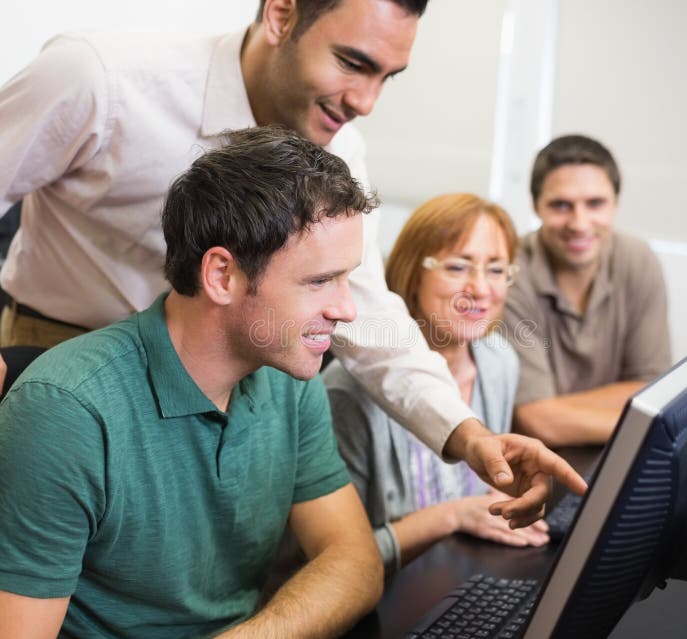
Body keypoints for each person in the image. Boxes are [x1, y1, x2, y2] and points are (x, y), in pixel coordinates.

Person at [0, 0, 579, 525]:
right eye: (353, 62)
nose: (366, 102)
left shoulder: (338, 145)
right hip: (55, 362)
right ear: (280, 15)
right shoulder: (101, 78)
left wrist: (469, 435)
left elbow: (371, 314)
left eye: (387, 77)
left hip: (221, 390)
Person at [0, 126, 386, 638]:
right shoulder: (66, 412)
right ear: (222, 276)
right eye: (319, 281)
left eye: (345, 278)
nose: (345, 309)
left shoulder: (290, 378)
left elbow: (355, 561)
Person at [325, 194, 551, 575]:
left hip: (463, 573)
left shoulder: (498, 361)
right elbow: (330, 565)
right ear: (413, 274)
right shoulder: (347, 392)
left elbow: (483, 492)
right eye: (459, 267)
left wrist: (501, 501)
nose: (480, 289)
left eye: (496, 270)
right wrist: (454, 517)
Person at [504, 134, 672, 447]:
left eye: (595, 203)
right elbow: (537, 422)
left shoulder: (638, 260)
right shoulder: (505, 272)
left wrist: (553, 410)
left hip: (611, 456)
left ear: (615, 205)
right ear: (535, 206)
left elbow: (653, 388)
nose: (579, 223)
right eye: (561, 205)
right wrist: (654, 429)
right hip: (531, 461)